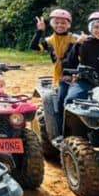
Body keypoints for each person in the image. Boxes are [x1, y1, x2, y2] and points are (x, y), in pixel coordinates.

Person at [32, 8, 78, 139]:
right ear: (52, 24)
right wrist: (40, 31)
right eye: (56, 22)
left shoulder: (75, 39)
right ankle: (60, 135)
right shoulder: (49, 41)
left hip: (78, 76)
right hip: (62, 77)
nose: (60, 25)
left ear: (69, 24)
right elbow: (34, 47)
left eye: (63, 23)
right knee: (61, 102)